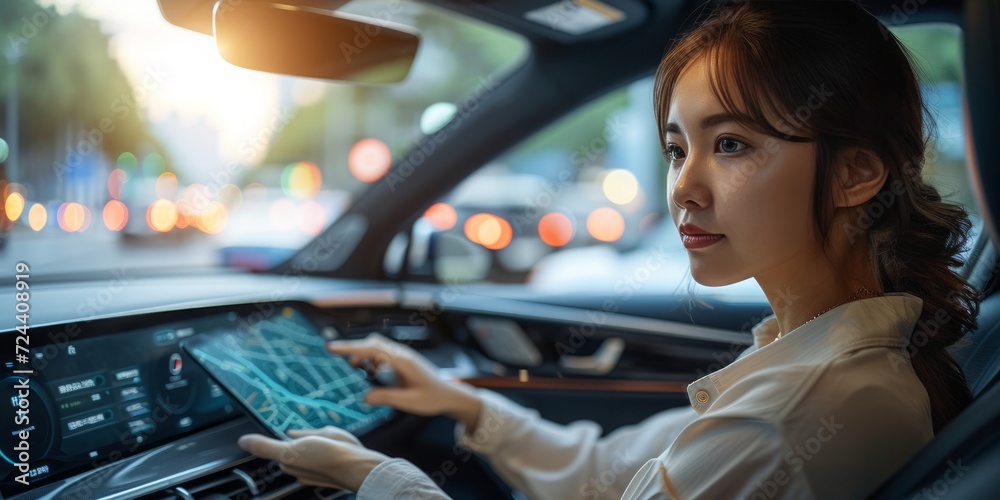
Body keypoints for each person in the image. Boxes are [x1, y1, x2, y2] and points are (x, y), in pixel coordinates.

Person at [237, 1, 983, 498]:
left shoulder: (796, 410)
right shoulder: (810, 358)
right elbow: (616, 474)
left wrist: (372, 476)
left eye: (731, 144)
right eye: (675, 149)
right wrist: (464, 403)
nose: (683, 188)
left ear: (857, 172)